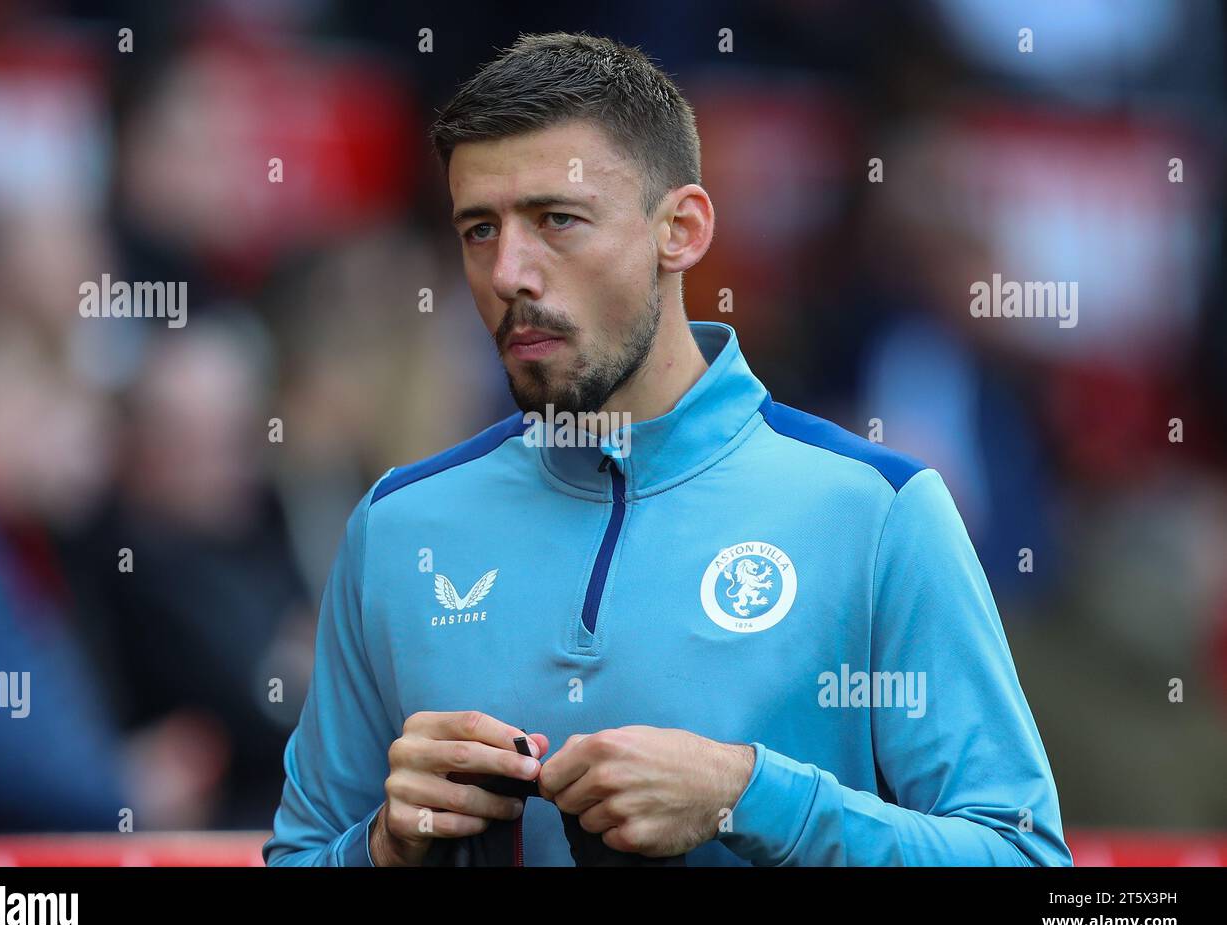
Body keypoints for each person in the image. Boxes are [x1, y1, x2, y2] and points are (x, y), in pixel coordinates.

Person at [263, 32, 1072, 867]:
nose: (509, 273)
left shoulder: (877, 511)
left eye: (557, 220)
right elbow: (300, 856)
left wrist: (750, 796)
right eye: (478, 230)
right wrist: (386, 847)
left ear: (680, 230)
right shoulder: (399, 524)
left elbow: (1031, 865)